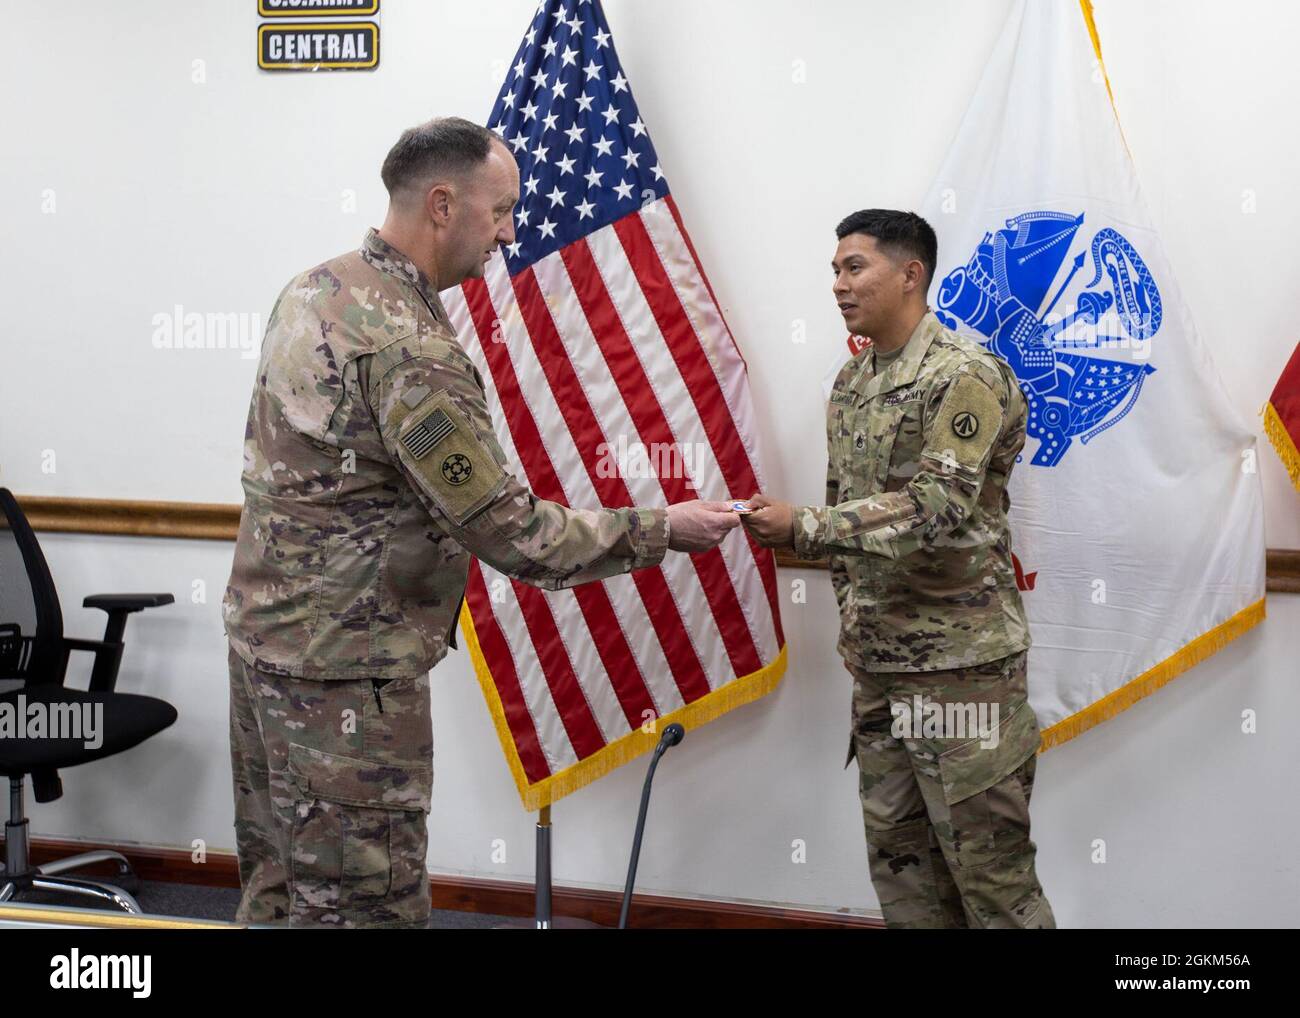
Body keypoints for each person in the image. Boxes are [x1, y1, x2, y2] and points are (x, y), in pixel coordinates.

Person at [221, 116, 739, 928]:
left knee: (278, 890)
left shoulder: (316, 288)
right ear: (440, 204)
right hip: (346, 682)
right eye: (500, 212)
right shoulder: (407, 350)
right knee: (364, 905)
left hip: (266, 649)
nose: (508, 234)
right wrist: (662, 529)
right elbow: (514, 536)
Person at [741, 209, 1055, 929]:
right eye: (835, 270)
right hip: (880, 668)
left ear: (910, 274)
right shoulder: (853, 382)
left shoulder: (965, 376)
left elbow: (938, 505)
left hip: (960, 671)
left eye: (855, 268)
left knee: (991, 881)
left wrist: (804, 528)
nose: (838, 285)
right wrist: (854, 620)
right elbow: (845, 507)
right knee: (903, 870)